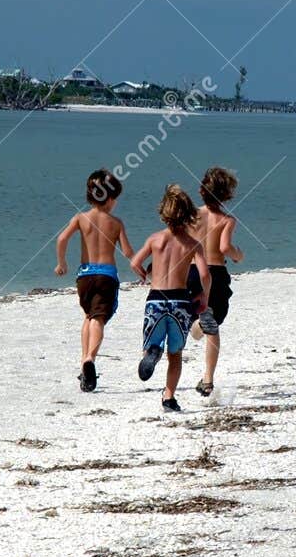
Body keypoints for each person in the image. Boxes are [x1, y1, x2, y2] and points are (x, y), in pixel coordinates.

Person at [129, 184, 210, 412]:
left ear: (163, 213)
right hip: (180, 302)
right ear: (189, 215)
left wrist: (145, 275)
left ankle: (152, 353)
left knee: (150, 344)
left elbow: (134, 262)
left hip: (155, 299)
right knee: (175, 354)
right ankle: (169, 396)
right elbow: (205, 274)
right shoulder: (193, 245)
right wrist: (204, 295)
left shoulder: (155, 239)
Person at [54, 168, 135, 393]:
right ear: (109, 199)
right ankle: (90, 358)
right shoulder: (116, 223)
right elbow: (128, 252)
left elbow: (62, 239)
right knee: (98, 319)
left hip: (84, 276)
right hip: (106, 276)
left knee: (88, 316)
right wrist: (140, 268)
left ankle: (83, 363)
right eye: (115, 198)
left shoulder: (81, 218)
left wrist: (61, 263)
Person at [187, 166, 243, 398]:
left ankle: (197, 325)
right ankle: (208, 379)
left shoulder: (191, 216)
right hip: (216, 272)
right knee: (213, 325)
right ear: (227, 195)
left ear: (201, 191)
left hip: (194, 271)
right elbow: (224, 247)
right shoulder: (227, 220)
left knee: (203, 320)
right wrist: (238, 255)